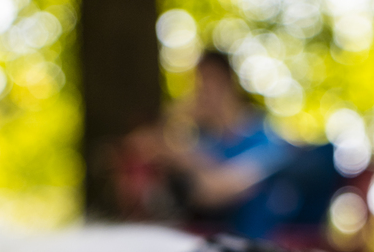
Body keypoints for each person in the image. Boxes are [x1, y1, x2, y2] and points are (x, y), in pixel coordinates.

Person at [123, 52, 346, 242]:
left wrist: (181, 150)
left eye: (209, 82)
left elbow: (219, 188)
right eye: (197, 85)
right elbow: (202, 189)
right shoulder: (206, 142)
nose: (201, 93)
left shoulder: (262, 134)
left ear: (227, 82)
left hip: (271, 232)